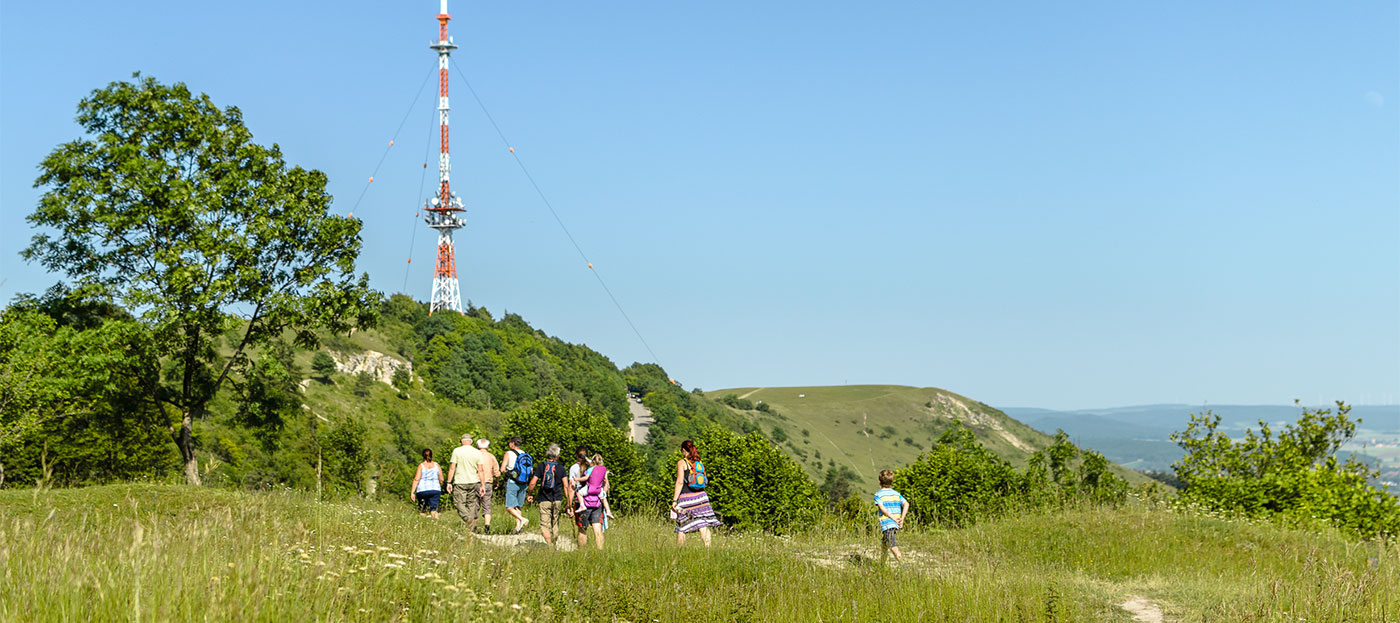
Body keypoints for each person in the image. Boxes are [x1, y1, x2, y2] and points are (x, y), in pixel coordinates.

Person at [671, 439, 722, 546]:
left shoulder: (682, 462)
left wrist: (675, 501)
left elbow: (680, 482)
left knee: (682, 526)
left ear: (684, 451)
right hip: (701, 497)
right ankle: (708, 550)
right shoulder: (699, 463)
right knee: (703, 524)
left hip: (686, 498)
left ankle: (678, 552)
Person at [445, 433, 488, 533]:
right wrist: (482, 485)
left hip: (460, 481)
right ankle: (471, 529)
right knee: (471, 504)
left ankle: (468, 519)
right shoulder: (477, 452)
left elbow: (452, 468)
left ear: (461, 441)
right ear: (471, 442)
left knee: (458, 503)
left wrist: (448, 482)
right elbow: (480, 470)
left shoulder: (457, 451)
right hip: (473, 482)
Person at [526, 444, 567, 546]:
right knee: (555, 521)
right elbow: (566, 486)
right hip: (557, 499)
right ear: (557, 456)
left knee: (545, 524)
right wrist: (568, 502)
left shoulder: (541, 466)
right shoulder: (561, 468)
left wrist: (529, 494)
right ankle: (554, 542)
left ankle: (549, 545)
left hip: (544, 499)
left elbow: (532, 482)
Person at [873, 469, 909, 563]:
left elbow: (883, 509)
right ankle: (882, 564)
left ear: (879, 482)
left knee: (893, 545)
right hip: (895, 523)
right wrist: (902, 519)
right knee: (884, 544)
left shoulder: (878, 495)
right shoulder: (896, 494)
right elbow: (906, 504)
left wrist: (893, 518)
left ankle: (902, 564)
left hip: (887, 523)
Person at [576, 453, 608, 550]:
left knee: (582, 529)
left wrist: (576, 479)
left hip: (586, 501)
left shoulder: (589, 469)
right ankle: (600, 551)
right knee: (598, 529)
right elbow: (606, 484)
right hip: (597, 502)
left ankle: (581, 552)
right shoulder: (603, 470)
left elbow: (586, 477)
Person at [502, 436, 532, 534]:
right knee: (518, 506)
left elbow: (502, 469)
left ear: (512, 444)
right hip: (524, 482)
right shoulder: (525, 454)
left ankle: (522, 519)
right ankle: (518, 528)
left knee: (509, 507)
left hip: (513, 481)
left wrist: (508, 474)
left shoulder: (509, 453)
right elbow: (531, 470)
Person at [475, 438, 501, 533]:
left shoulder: (474, 455)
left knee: (475, 505)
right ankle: (487, 526)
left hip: (475, 482)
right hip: (487, 483)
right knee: (487, 505)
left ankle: (474, 526)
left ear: (477, 446)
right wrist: (496, 482)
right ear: (488, 446)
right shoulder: (491, 457)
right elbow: (497, 472)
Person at [409, 448, 442, 518]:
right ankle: (436, 524)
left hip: (422, 490)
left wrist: (412, 492)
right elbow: (441, 479)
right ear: (432, 455)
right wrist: (440, 486)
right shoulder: (437, 465)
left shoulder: (421, 466)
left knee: (422, 509)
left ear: (423, 456)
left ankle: (423, 525)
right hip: (435, 489)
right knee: (434, 509)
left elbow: (416, 479)